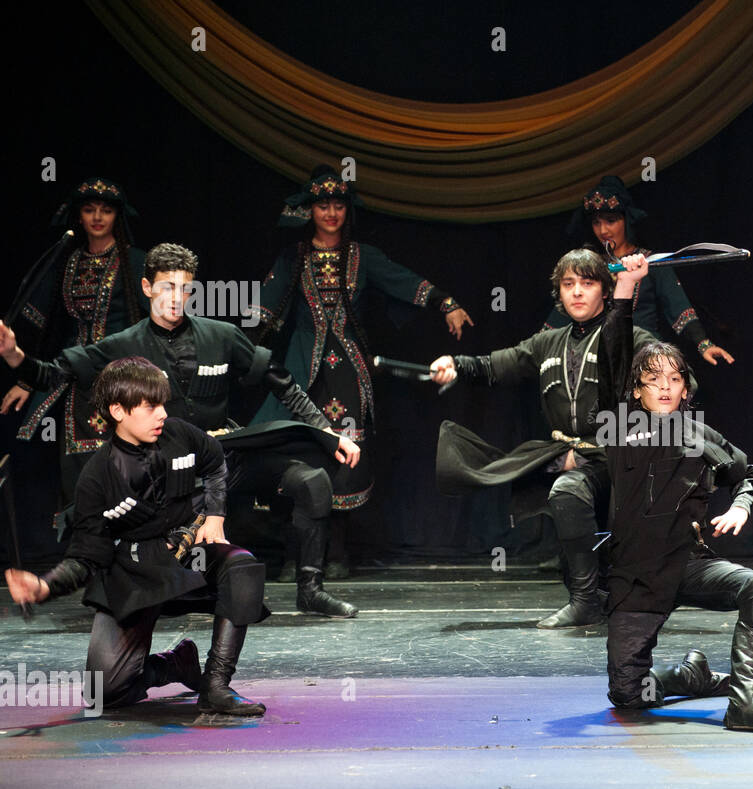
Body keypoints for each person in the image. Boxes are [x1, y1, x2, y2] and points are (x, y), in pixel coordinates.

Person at [0, 243, 362, 617]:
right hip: (168, 475)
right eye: (166, 287)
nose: (176, 298)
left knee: (313, 481)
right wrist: (13, 354)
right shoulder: (122, 346)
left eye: (185, 289)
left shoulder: (221, 336)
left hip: (224, 460)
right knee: (117, 531)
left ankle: (310, 590)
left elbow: (283, 383)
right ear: (146, 288)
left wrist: (326, 430)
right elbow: (52, 374)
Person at [4, 357, 267, 715]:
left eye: (162, 404)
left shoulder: (179, 434)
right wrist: (45, 587)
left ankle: (215, 685)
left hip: (187, 556)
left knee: (242, 567)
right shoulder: (97, 478)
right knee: (103, 694)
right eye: (149, 407)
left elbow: (215, 459)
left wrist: (216, 514)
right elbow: (87, 555)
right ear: (118, 411)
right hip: (134, 574)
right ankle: (175, 664)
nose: (161, 414)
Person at [597, 253, 753, 732]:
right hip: (635, 575)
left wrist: (742, 506)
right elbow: (615, 352)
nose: (665, 386)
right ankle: (690, 674)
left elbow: (749, 474)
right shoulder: (619, 425)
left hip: (688, 563)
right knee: (627, 695)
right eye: (653, 379)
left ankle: (743, 702)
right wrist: (627, 288)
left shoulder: (700, 434)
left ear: (686, 388)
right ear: (636, 391)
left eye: (675, 378)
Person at [251, 165, 473, 575]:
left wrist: (447, 303)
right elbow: (263, 308)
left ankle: (336, 553)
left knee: (345, 455)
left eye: (338, 205)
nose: (331, 212)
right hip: (302, 369)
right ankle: (296, 555)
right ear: (311, 210)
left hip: (349, 373)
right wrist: (240, 345)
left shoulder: (362, 256)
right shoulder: (293, 257)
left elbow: (403, 281)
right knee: (297, 451)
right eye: (323, 205)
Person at [432, 249, 658, 628]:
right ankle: (590, 590)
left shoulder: (631, 337)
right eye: (569, 284)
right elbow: (494, 366)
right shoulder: (547, 343)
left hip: (621, 461)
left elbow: (678, 387)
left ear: (605, 289)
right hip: (568, 455)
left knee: (568, 488)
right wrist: (456, 365)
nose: (578, 293)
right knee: (537, 476)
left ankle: (586, 601)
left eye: (587, 283)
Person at [1, 178, 147, 533]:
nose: (97, 217)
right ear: (78, 216)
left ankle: (132, 545)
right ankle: (86, 545)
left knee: (126, 459)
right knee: (78, 459)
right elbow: (46, 330)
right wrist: (26, 376)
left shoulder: (135, 262)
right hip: (74, 378)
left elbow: (154, 324)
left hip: (122, 376)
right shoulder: (65, 263)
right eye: (89, 209)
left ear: (117, 216)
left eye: (106, 210)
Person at [543, 176, 734, 367]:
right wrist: (537, 347)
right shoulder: (589, 267)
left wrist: (704, 344)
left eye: (611, 221)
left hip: (644, 358)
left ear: (626, 220)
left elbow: (679, 308)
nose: (603, 230)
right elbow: (564, 309)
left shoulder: (650, 263)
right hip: (598, 361)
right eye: (596, 223)